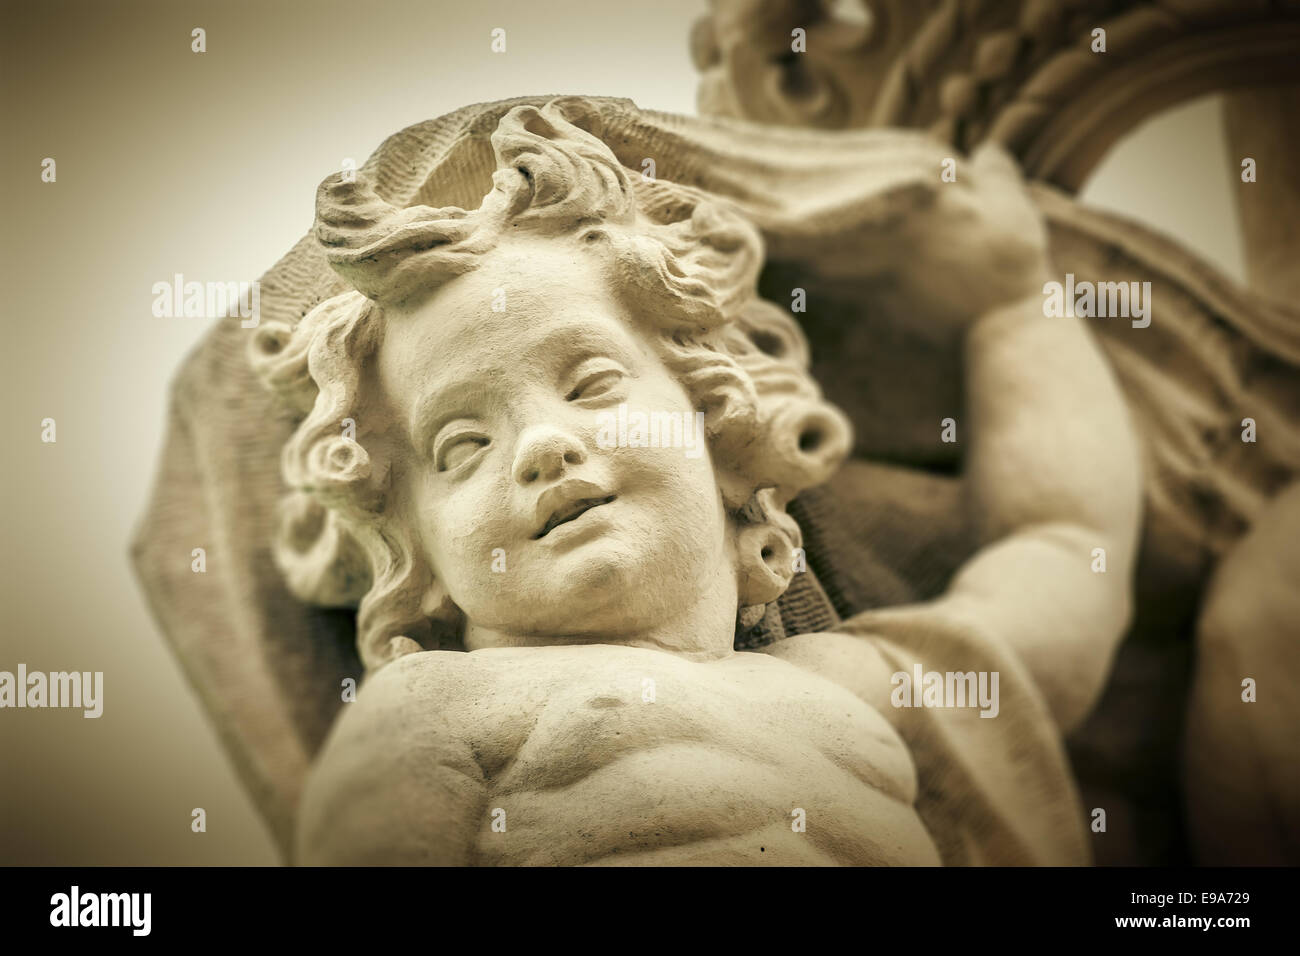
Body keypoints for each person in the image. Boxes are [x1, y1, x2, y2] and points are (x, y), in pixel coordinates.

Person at [250, 100, 1141, 865]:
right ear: (422, 558)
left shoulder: (843, 685)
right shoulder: (438, 707)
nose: (541, 447)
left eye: (593, 384)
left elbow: (1064, 555)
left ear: (720, 432)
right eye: (461, 444)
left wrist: (1016, 303)